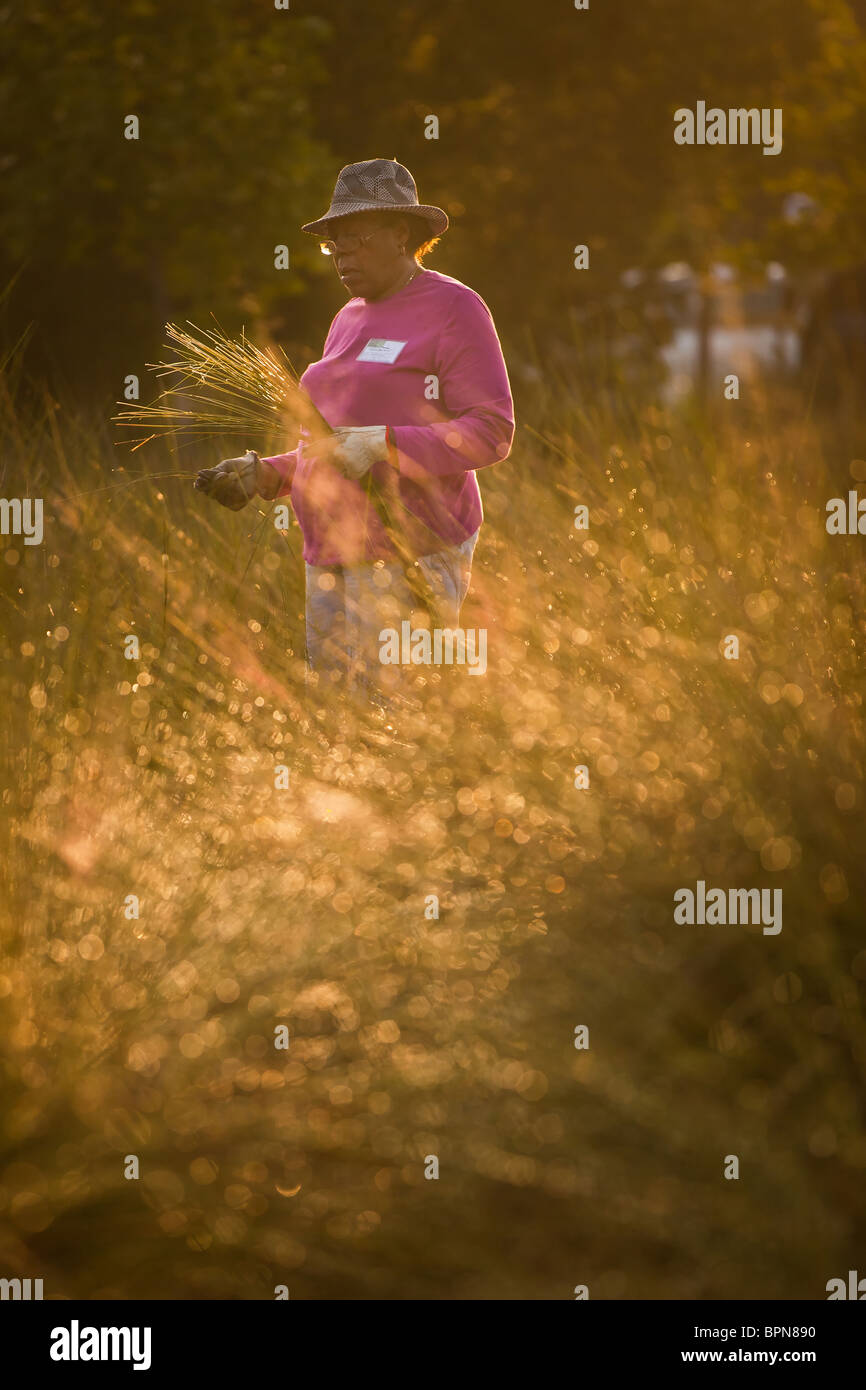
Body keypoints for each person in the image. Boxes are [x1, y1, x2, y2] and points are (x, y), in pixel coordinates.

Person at [195, 158, 514, 704]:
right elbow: (330, 446)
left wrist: (388, 443)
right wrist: (266, 474)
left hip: (411, 549)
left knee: (399, 712)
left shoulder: (454, 308)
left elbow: (491, 432)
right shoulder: (348, 317)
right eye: (332, 242)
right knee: (338, 715)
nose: (340, 252)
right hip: (330, 552)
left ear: (402, 234)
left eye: (354, 237)